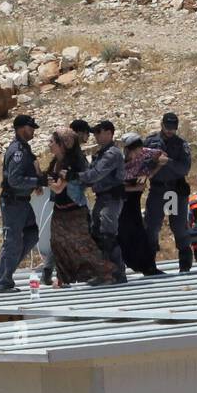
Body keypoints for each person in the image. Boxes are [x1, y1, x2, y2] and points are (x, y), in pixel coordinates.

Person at [45, 125, 111, 286]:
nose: (49, 144)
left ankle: (105, 274)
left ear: (62, 144)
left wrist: (44, 182)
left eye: (52, 141)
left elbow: (59, 187)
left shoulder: (70, 164)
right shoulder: (56, 162)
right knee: (58, 245)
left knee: (84, 245)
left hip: (74, 211)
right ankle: (63, 279)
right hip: (60, 210)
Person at [0, 114, 47, 293]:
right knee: (13, 242)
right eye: (30, 127)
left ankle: (4, 268)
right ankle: (3, 282)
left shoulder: (25, 149)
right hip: (13, 202)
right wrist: (37, 182)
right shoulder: (17, 151)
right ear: (20, 128)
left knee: (32, 235)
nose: (32, 131)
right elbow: (15, 180)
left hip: (23, 202)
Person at [144, 112, 195, 272]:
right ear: (162, 124)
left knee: (179, 226)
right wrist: (154, 161)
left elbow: (185, 168)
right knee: (152, 226)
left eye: (173, 128)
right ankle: (150, 264)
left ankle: (185, 264)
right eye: (167, 128)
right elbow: (142, 164)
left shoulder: (181, 144)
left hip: (175, 191)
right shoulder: (151, 142)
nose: (170, 131)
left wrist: (168, 162)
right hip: (158, 190)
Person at [80, 120, 128, 283]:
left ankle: (116, 272)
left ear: (109, 133)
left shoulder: (112, 153)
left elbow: (95, 174)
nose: (96, 136)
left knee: (107, 234)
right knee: (98, 233)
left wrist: (75, 177)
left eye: (99, 132)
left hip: (111, 198)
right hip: (102, 197)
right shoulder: (102, 153)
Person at [119, 132, 167, 275]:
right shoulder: (118, 160)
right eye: (135, 151)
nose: (137, 155)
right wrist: (133, 187)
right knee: (122, 234)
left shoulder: (144, 153)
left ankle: (148, 266)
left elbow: (163, 158)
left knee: (139, 232)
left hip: (134, 197)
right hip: (121, 196)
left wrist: (149, 173)